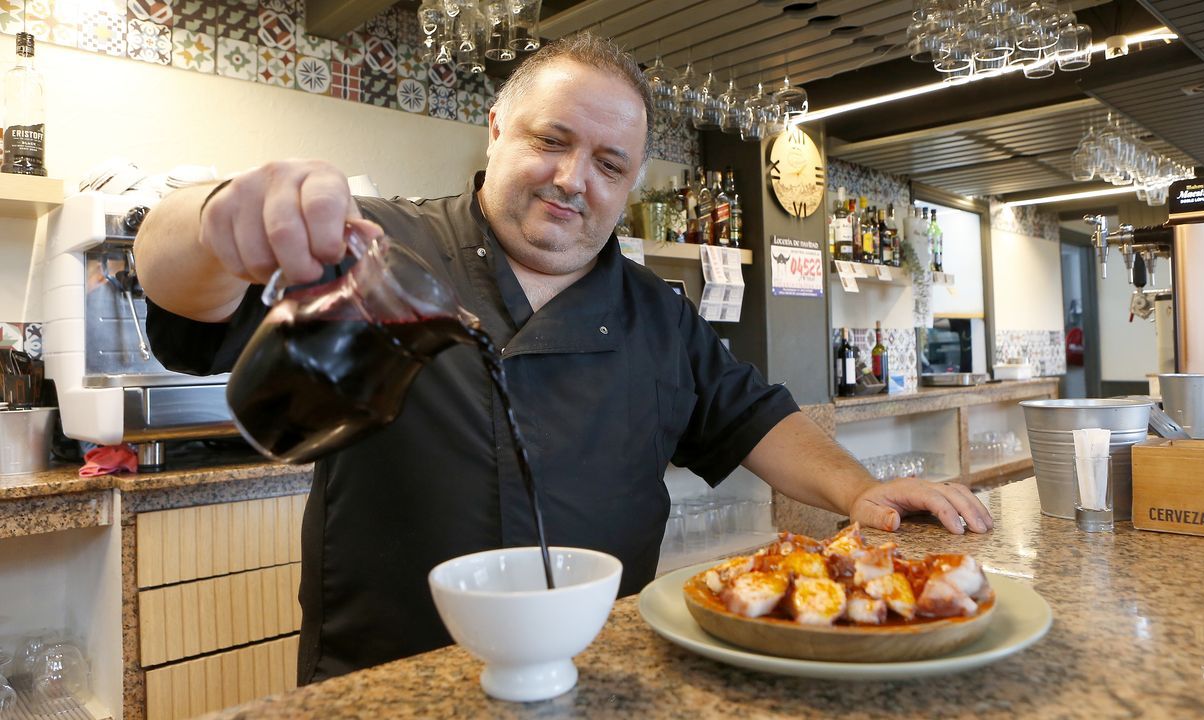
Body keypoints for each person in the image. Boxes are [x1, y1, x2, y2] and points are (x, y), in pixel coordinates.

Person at [135, 33, 993, 684]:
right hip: (390, 678)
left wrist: (857, 489)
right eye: (552, 140)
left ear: (629, 184)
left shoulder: (660, 314)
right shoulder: (375, 247)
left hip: (604, 675)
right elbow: (181, 292)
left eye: (609, 163)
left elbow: (756, 416)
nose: (573, 178)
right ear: (498, 126)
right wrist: (218, 218)